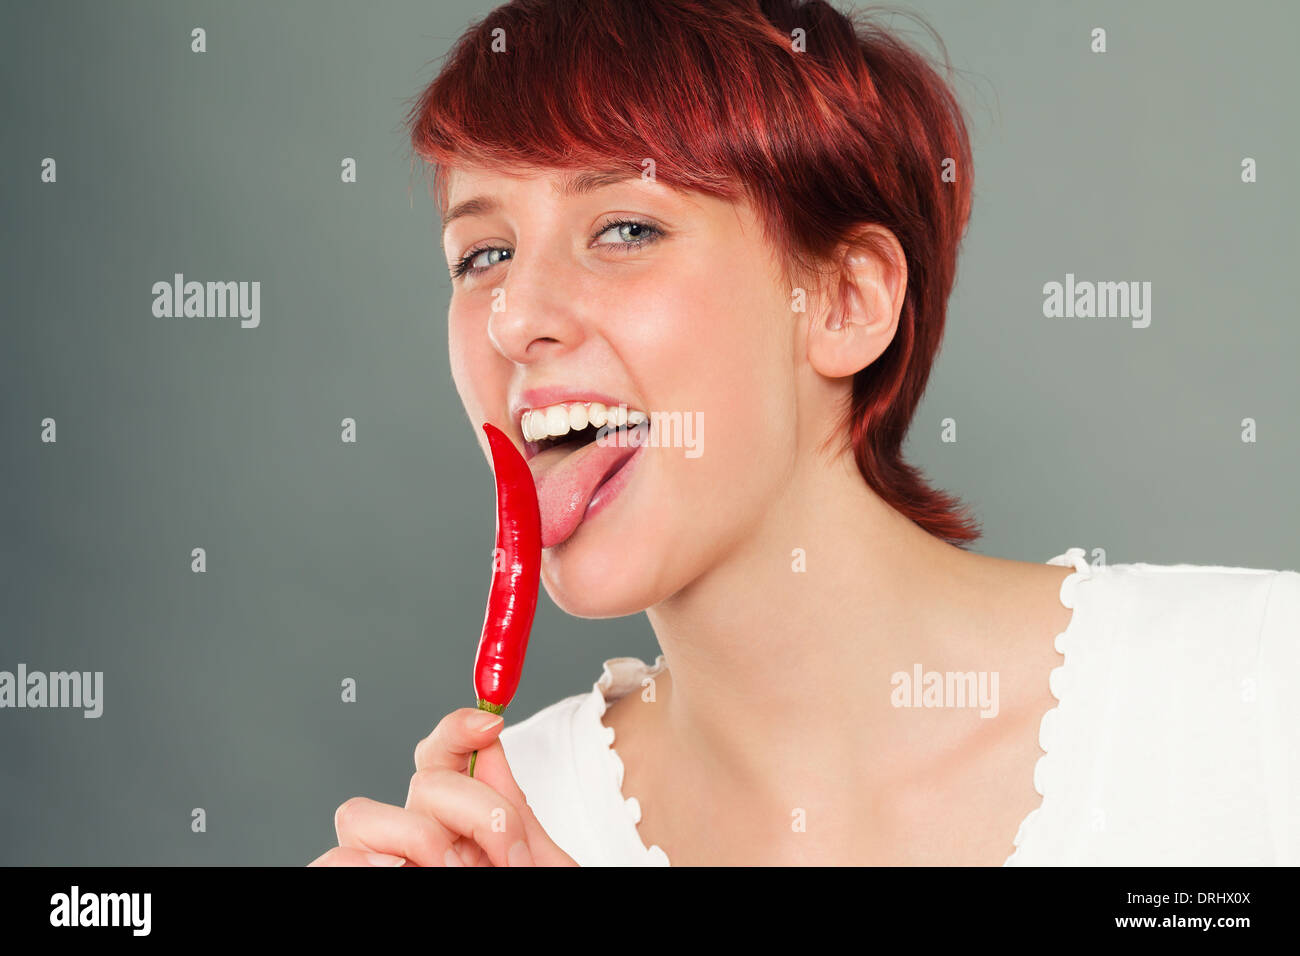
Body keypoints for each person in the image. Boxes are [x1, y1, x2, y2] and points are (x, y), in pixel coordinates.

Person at [310, 0, 1299, 867]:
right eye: (482, 251)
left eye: (624, 228)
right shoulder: (498, 822)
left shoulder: (1257, 690)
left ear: (843, 299)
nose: (513, 316)